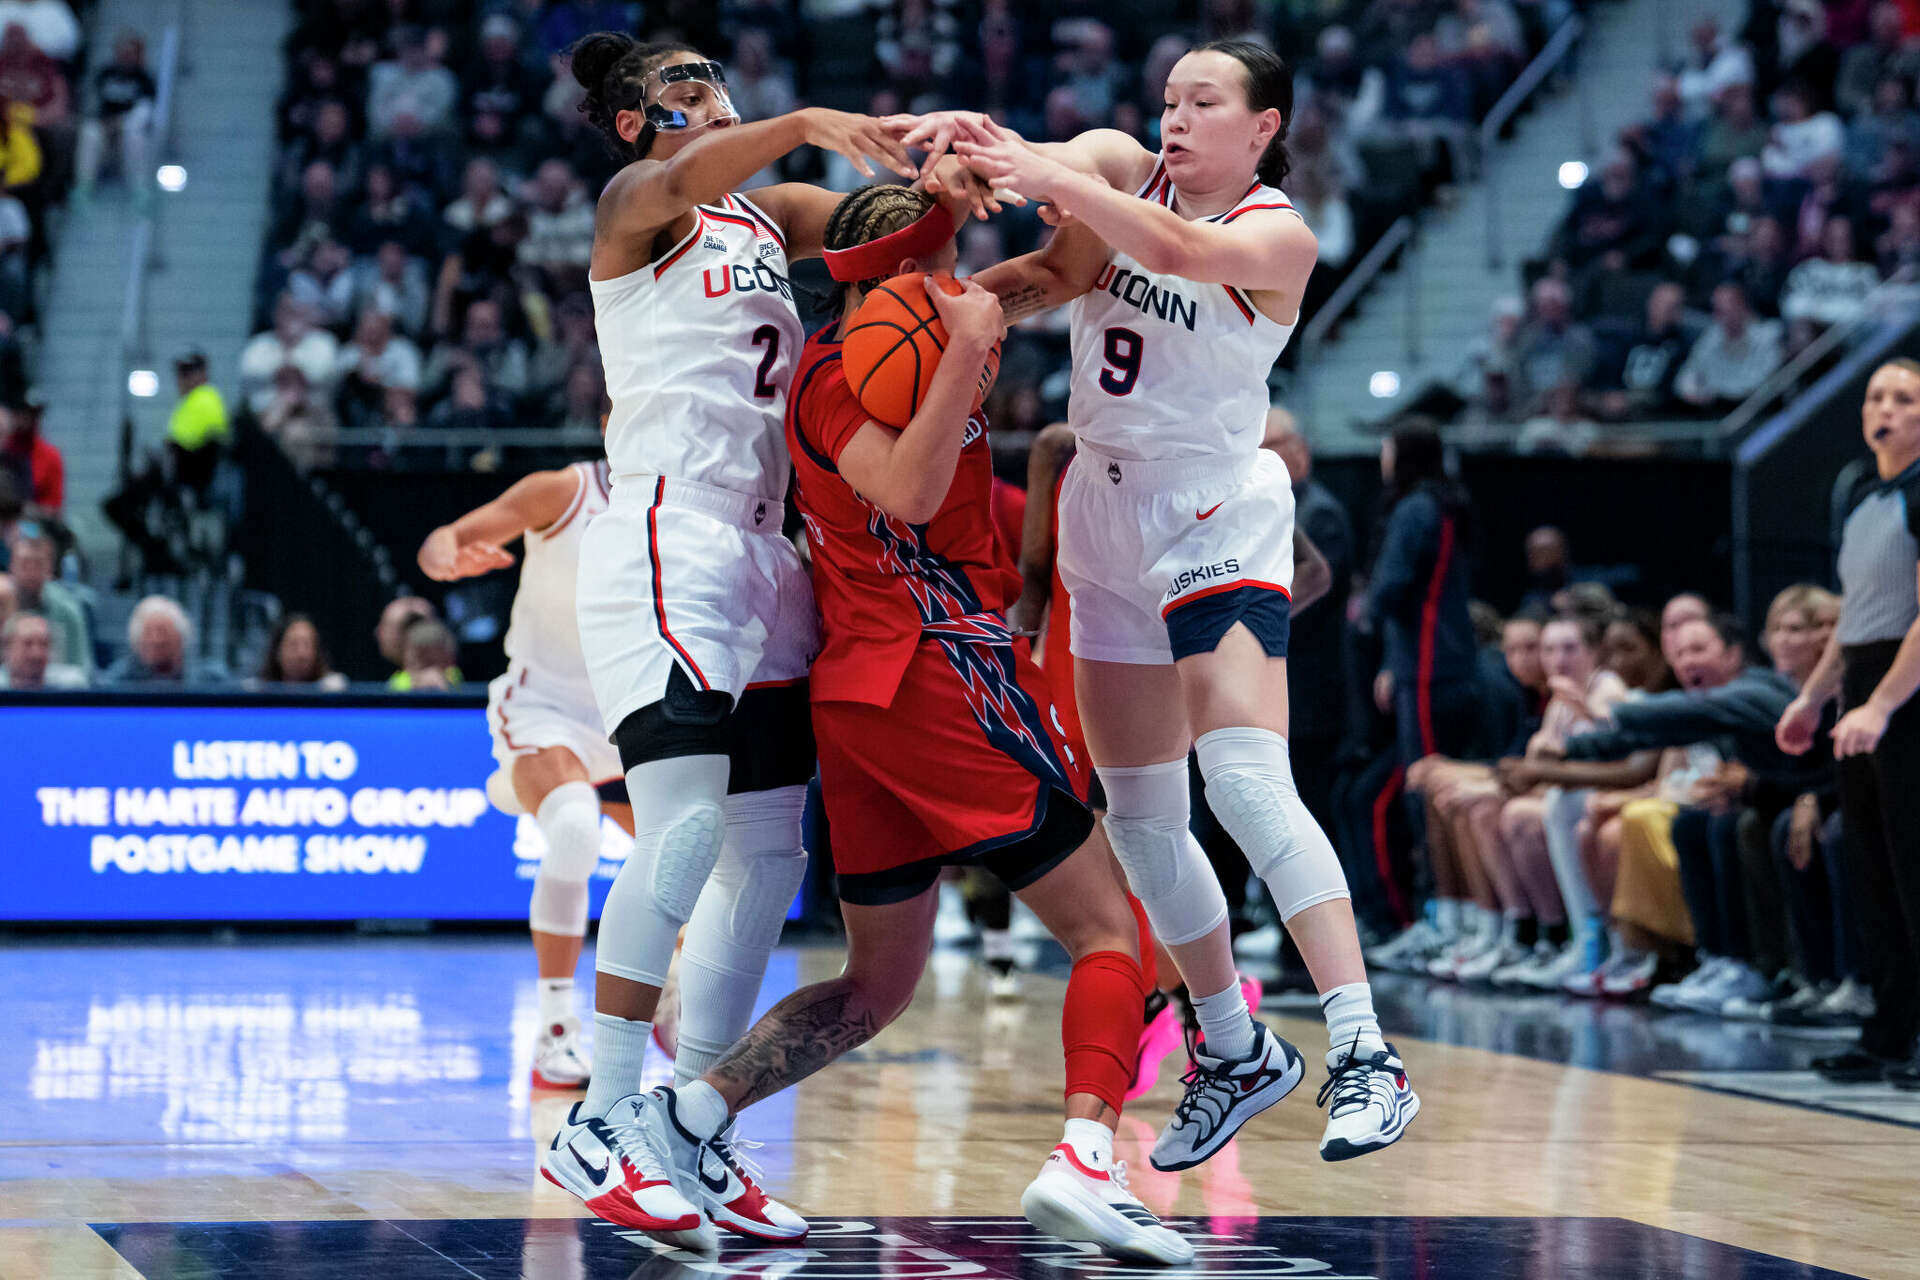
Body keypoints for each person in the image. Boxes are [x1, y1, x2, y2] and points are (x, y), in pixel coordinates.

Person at [605, 186, 1189, 1264]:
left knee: (877, 985)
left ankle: (681, 1119)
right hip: (937, 674)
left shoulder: (939, 309)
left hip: (867, 700)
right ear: (912, 266)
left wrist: (1045, 171)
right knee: (1115, 933)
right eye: (948, 252)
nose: (965, 270)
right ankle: (1086, 1158)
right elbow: (913, 493)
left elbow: (1065, 266)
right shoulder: (837, 376)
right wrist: (966, 348)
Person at [909, 38, 1417, 1166]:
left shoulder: (1278, 234)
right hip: (1102, 506)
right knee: (1139, 820)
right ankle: (1232, 1046)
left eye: (1205, 102)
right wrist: (966, 178)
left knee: (1244, 779)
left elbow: (1175, 247)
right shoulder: (1114, 163)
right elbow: (1049, 231)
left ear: (1264, 127)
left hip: (1212, 507)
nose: (1175, 118)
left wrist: (1045, 175)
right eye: (1170, 99)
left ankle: (1365, 1049)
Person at [534, 32, 928, 1249]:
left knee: (765, 851)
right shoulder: (637, 205)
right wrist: (805, 117)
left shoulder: (765, 217)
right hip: (671, 530)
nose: (709, 95)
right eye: (681, 87)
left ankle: (684, 1134)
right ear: (632, 123)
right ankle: (598, 1116)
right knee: (686, 826)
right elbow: (695, 175)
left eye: (715, 79)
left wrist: (961, 170)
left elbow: (883, 222)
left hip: (770, 550)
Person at [419, 455, 639, 1092]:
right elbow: (444, 539)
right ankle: (555, 1029)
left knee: (696, 856)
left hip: (636, 711)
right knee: (574, 830)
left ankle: (672, 992)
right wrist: (446, 555)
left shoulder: (689, 501)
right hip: (548, 708)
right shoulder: (565, 490)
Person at [1777, 358, 1920, 1089]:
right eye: (1875, 396)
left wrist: (1884, 705)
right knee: (1873, 870)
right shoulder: (1863, 495)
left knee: (1914, 867)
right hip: (1864, 686)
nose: (1884, 409)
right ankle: (1889, 1032)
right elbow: (1855, 617)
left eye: (1904, 398)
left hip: (1907, 691)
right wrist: (1813, 696)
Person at [6, 523, 87, 671]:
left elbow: (80, 669)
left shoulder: (68, 611)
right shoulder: (2, 603)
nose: (31, 571)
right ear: (11, 566)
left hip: (54, 683)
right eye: (24, 563)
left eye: (38, 564)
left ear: (50, 569)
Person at [107, 595, 226, 685]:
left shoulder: (212, 679)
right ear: (137, 643)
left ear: (181, 638)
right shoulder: (117, 681)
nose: (157, 640)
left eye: (164, 632)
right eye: (148, 633)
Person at [254, 613, 347, 690]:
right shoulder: (255, 690)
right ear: (277, 651)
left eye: (307, 645)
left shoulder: (333, 689)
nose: (301, 654)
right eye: (293, 645)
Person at [0, 610, 86, 688]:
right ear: (7, 646)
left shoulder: (72, 685)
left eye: (44, 644)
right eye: (28, 644)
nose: (37, 654)